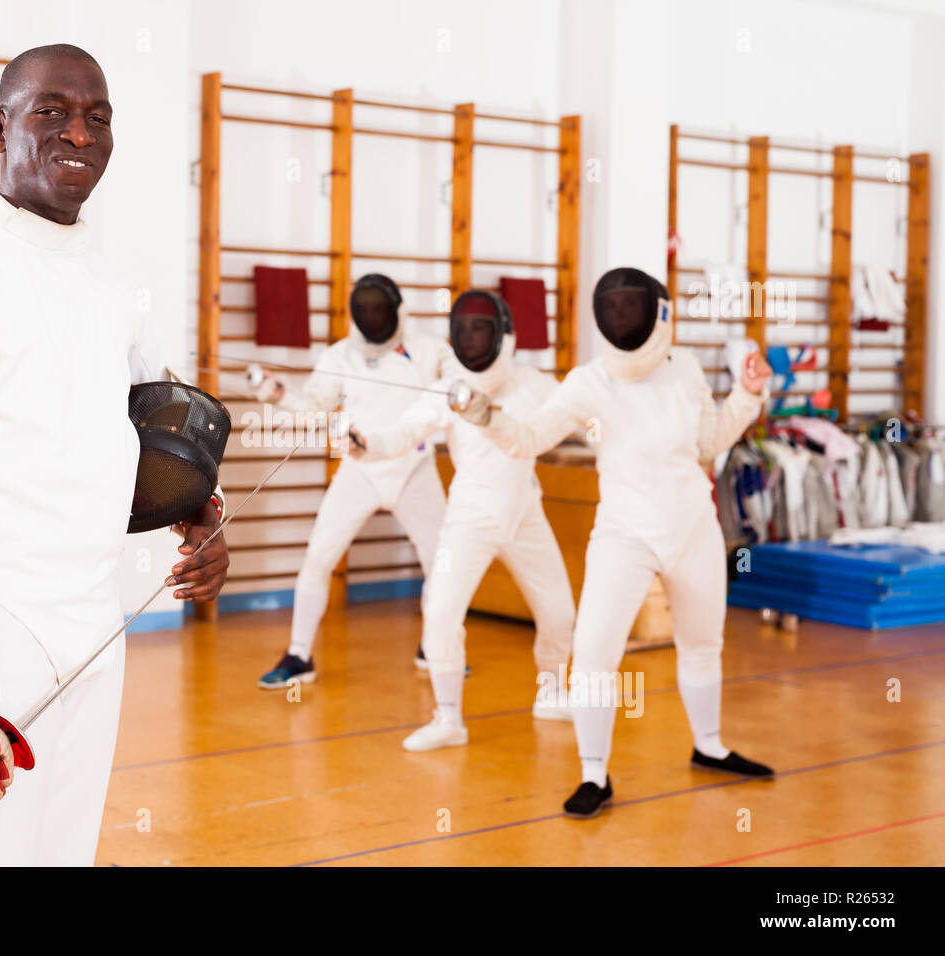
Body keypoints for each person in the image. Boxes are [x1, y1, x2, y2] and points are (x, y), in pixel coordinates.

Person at [0, 44, 229, 865]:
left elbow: (159, 426)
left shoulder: (115, 288)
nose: (79, 132)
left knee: (68, 856)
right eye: (51, 112)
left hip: (96, 620)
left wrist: (204, 520)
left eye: (98, 117)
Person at [480, 266, 773, 818]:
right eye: (612, 309)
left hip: (692, 527)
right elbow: (526, 440)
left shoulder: (683, 367)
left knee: (702, 642)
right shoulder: (588, 382)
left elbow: (709, 443)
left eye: (629, 306)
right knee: (592, 653)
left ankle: (709, 746)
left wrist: (747, 395)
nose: (621, 316)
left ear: (658, 313)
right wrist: (485, 417)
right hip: (624, 534)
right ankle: (594, 775)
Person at [345, 290, 577, 751]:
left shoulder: (533, 383)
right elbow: (406, 433)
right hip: (469, 516)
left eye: (481, 328)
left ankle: (552, 693)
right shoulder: (447, 389)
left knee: (560, 611)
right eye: (464, 328)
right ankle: (448, 718)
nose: (471, 337)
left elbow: (568, 422)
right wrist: (366, 443)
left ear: (504, 336)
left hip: (525, 513)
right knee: (442, 610)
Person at [251, 274, 452, 688]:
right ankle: (299, 655)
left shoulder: (432, 351)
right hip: (358, 468)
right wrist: (278, 395)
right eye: (365, 311)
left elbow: (452, 393)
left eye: (380, 309)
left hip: (414, 467)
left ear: (398, 310)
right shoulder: (340, 355)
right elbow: (313, 411)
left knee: (442, 564)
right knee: (319, 557)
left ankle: (434, 647)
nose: (373, 317)